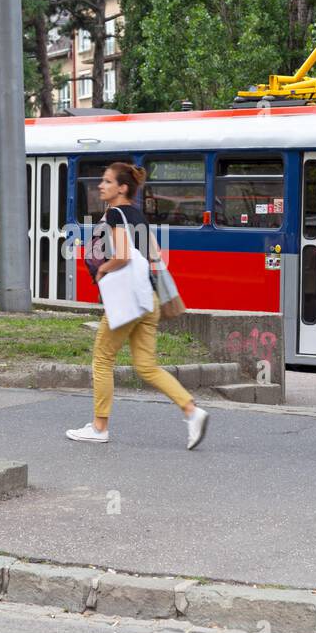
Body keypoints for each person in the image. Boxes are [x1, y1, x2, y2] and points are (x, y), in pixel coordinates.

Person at [66, 161, 209, 450]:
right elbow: (153, 254)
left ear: (122, 188)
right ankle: (192, 411)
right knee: (146, 366)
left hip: (129, 300)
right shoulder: (138, 216)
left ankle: (99, 427)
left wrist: (103, 270)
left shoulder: (117, 214)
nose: (101, 186)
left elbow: (122, 256)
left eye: (107, 182)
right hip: (149, 299)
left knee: (103, 358)